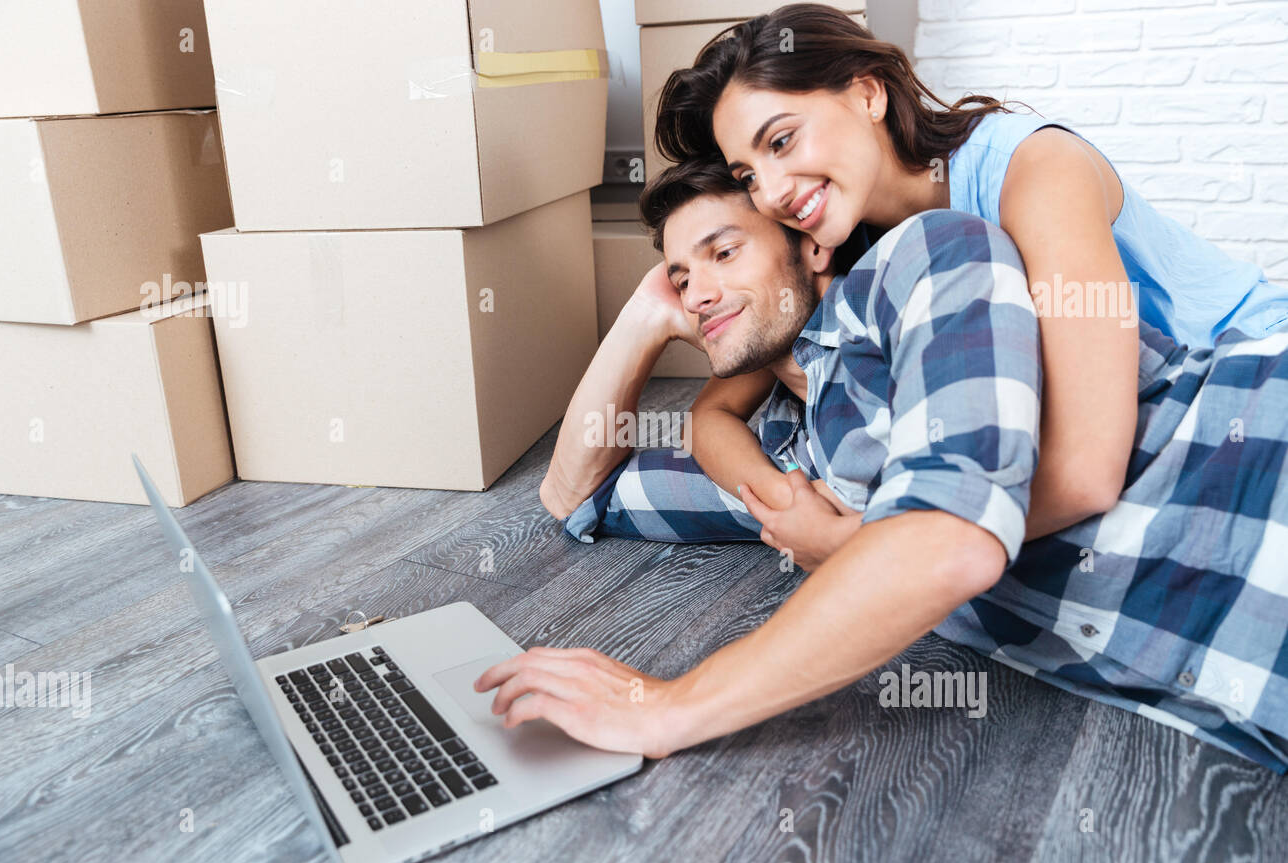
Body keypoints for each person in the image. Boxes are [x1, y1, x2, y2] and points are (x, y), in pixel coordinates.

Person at [477, 159, 1288, 773]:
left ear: (812, 248)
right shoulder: (785, 465)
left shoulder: (931, 261)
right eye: (682, 278)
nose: (699, 293)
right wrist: (641, 318)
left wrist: (668, 707)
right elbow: (577, 493)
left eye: (724, 252)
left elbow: (953, 529)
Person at [651, 3, 1288, 543]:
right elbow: (713, 414)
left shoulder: (1033, 170)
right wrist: (791, 512)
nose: (774, 192)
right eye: (748, 176)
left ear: (868, 92)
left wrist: (862, 541)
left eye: (782, 141)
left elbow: (1086, 473)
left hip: (1240, 377)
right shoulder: (845, 238)